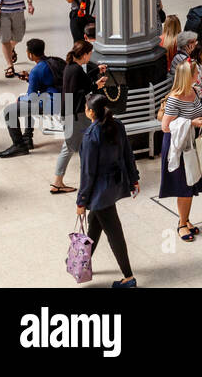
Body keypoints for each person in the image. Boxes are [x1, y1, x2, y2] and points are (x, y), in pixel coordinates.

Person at [76, 94, 139, 287]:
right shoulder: (117, 125)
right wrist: (134, 178)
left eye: (86, 108)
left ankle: (128, 277)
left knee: (114, 233)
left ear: (91, 112)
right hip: (115, 184)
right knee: (95, 225)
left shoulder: (90, 136)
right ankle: (81, 263)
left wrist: (81, 201)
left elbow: (88, 173)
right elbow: (128, 153)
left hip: (99, 191)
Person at [160, 62, 202, 242]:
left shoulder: (193, 91)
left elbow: (198, 111)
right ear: (188, 76)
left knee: (190, 183)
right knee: (184, 186)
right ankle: (182, 224)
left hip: (191, 143)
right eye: (196, 72)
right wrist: (191, 123)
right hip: (179, 147)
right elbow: (165, 127)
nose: (199, 75)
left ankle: (186, 219)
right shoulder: (175, 98)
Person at [51, 40, 107, 193]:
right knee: (69, 147)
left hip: (71, 113)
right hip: (75, 115)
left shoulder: (71, 67)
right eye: (89, 54)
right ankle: (57, 182)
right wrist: (97, 85)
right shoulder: (75, 70)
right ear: (83, 55)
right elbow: (80, 91)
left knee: (83, 145)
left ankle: (88, 178)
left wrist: (96, 71)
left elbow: (81, 82)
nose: (90, 57)